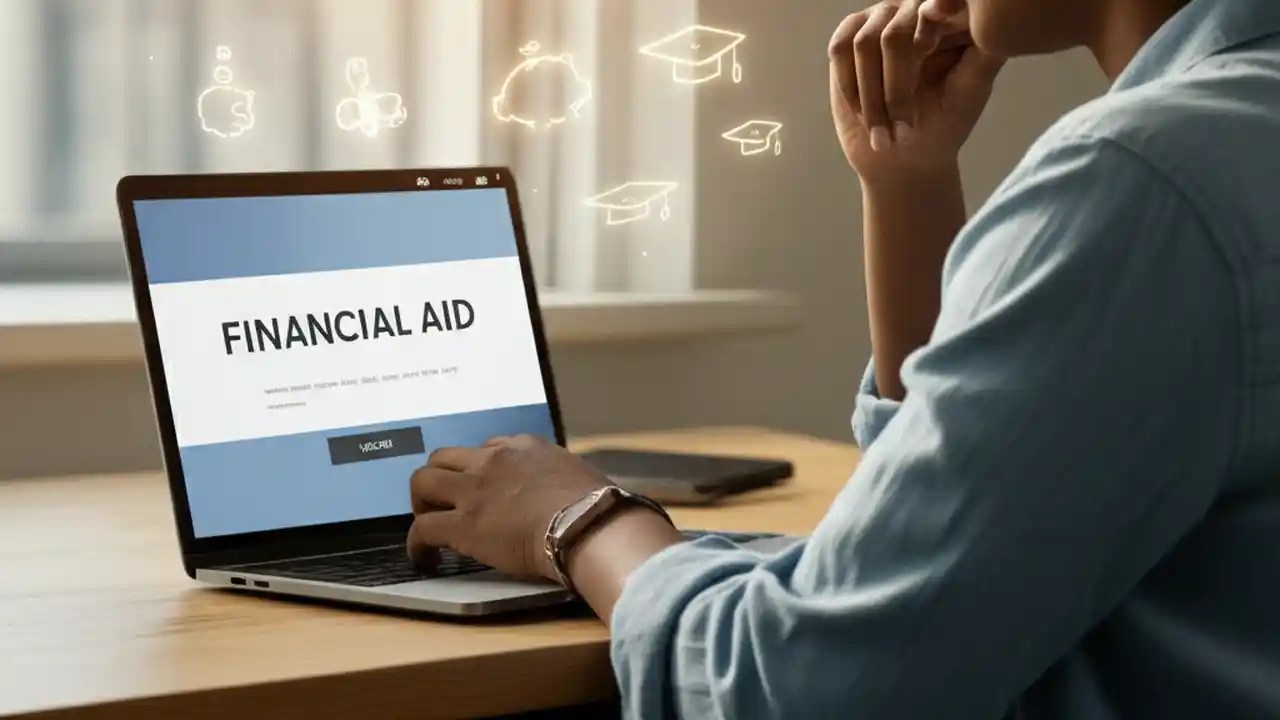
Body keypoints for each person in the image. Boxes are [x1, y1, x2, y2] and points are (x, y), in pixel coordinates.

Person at [406, 0, 1280, 716]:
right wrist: (908, 185)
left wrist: (577, 520)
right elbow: (958, 522)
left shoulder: (1140, 177)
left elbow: (800, 690)